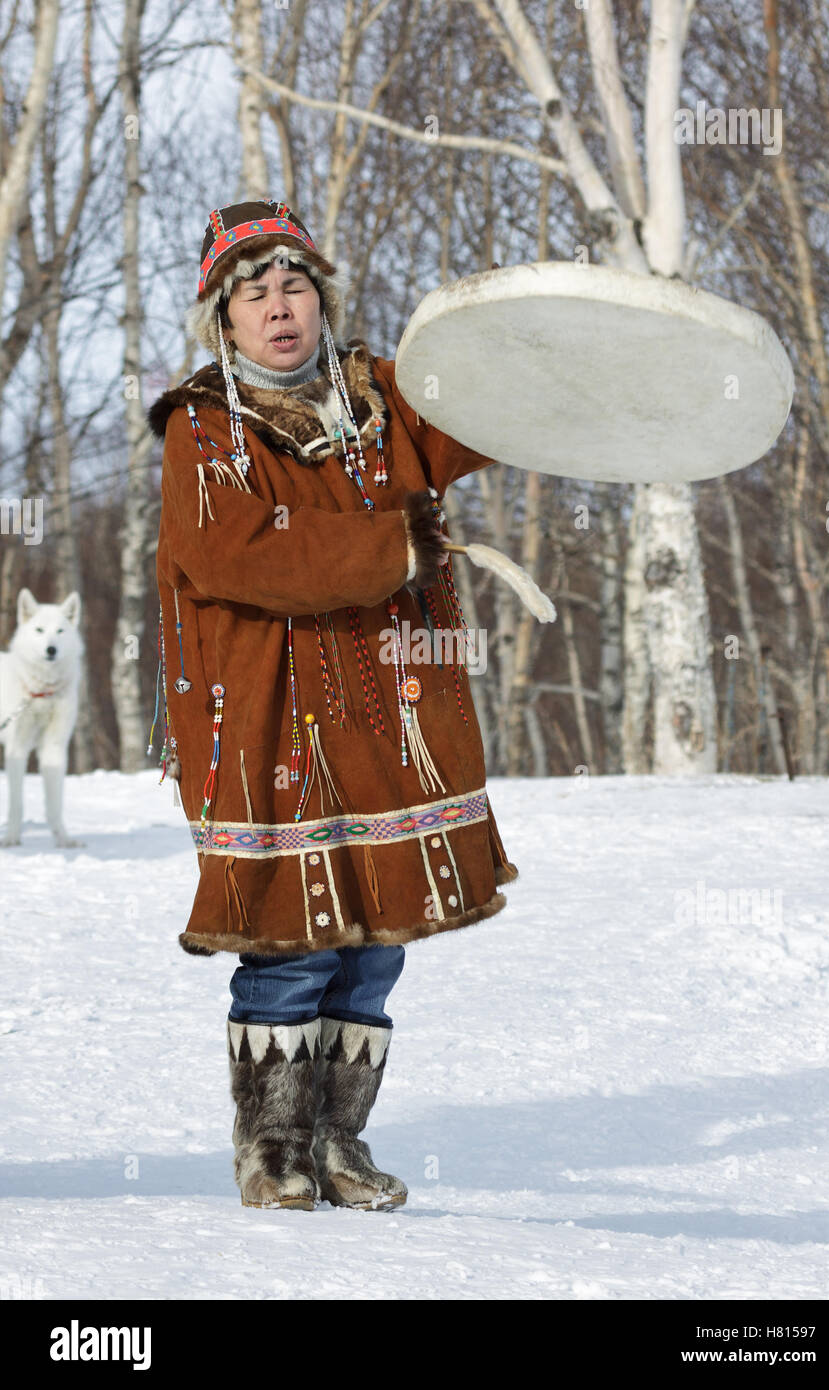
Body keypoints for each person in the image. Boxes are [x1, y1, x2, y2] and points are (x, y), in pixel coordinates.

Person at [146, 199, 519, 1213]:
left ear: (321, 298)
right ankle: (272, 1149)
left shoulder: (380, 399)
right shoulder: (203, 428)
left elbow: (488, 410)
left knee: (376, 938)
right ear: (223, 320)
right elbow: (234, 554)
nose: (278, 308)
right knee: (293, 943)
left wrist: (567, 356)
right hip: (272, 718)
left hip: (389, 707)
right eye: (254, 293)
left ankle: (338, 1140)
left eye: (294, 286)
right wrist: (392, 543)